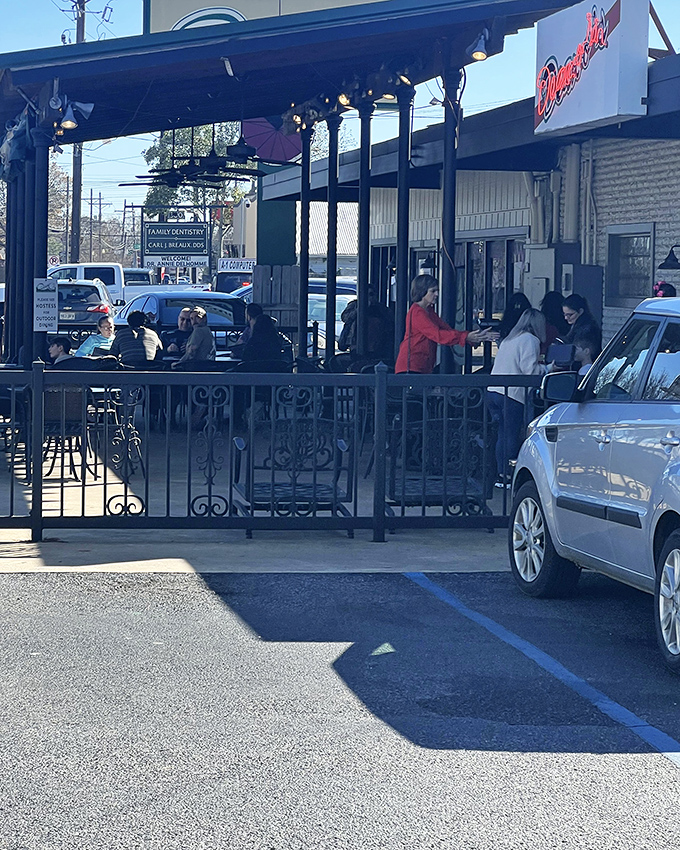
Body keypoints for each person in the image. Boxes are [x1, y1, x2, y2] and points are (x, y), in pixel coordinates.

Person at [487, 308, 548, 484]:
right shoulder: (530, 340)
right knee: (511, 434)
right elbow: (530, 371)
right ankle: (508, 474)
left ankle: (500, 473)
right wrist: (548, 368)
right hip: (511, 394)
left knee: (501, 434)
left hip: (493, 391)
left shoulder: (510, 339)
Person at [395, 274, 495, 374]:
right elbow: (438, 334)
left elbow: (446, 330)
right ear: (422, 291)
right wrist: (467, 337)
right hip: (412, 366)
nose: (437, 294)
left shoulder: (428, 311)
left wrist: (472, 337)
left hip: (418, 366)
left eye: (437, 290)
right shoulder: (418, 312)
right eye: (433, 291)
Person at [339, 286, 394, 364]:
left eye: (371, 294)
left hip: (377, 346)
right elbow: (345, 318)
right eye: (366, 295)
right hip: (356, 344)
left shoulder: (382, 308)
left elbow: (390, 321)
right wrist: (359, 309)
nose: (369, 297)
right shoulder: (354, 305)